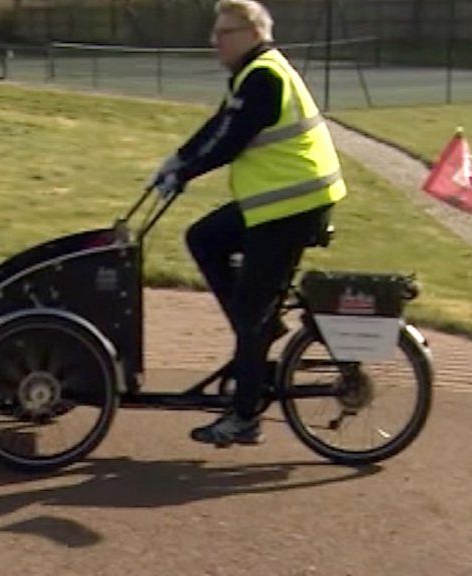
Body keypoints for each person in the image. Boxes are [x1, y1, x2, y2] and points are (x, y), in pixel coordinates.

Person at [148, 0, 347, 446]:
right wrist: (178, 158)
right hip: (276, 202)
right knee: (203, 238)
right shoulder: (252, 72)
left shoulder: (264, 77)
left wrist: (184, 172)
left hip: (291, 205)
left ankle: (243, 418)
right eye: (215, 32)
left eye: (225, 32)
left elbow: (231, 141)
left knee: (250, 313)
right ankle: (256, 326)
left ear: (253, 33)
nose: (215, 40)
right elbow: (220, 124)